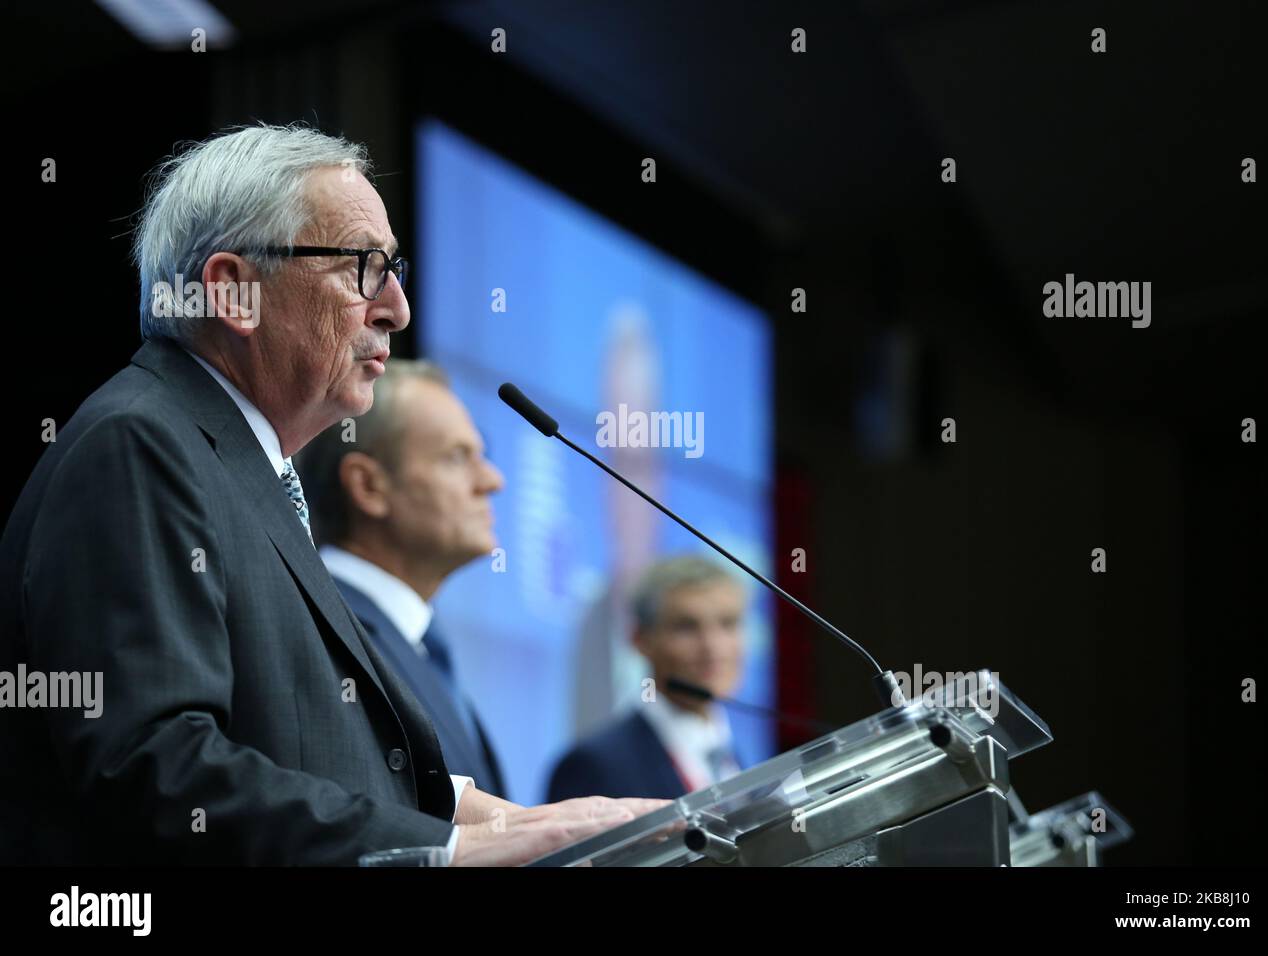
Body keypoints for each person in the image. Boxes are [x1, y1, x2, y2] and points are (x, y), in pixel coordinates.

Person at [0, 123, 661, 865]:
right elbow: (155, 765)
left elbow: (307, 748)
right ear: (233, 291)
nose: (397, 308)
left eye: (395, 268)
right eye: (362, 268)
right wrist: (445, 851)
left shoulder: (241, 469)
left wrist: (515, 825)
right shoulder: (139, 444)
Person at [296, 359, 509, 798]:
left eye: (482, 455)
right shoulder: (316, 625)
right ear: (369, 486)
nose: (492, 480)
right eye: (458, 457)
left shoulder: (421, 644)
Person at [548, 555, 750, 801]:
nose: (713, 647)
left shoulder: (730, 754)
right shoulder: (594, 765)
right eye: (687, 627)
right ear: (640, 639)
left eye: (728, 624)